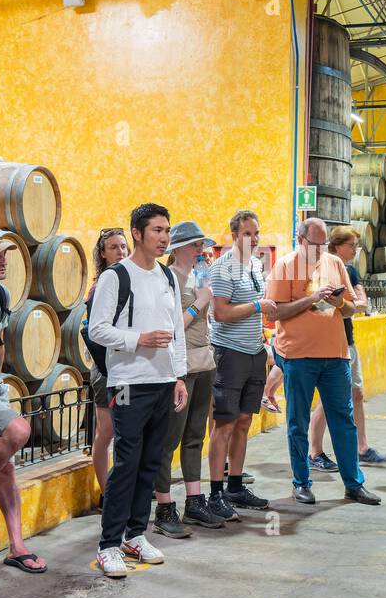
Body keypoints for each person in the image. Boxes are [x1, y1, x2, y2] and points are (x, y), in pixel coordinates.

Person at [87, 203, 188, 577]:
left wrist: (179, 377)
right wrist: (138, 339)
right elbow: (97, 329)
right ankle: (108, 544)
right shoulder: (116, 277)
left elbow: (176, 329)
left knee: (151, 461)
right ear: (137, 232)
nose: (164, 237)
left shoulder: (167, 277)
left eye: (167, 230)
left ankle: (135, 534)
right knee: (126, 463)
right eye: (158, 230)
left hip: (163, 382)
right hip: (129, 383)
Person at [267, 217, 380, 506]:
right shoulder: (284, 266)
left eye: (323, 244)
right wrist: (312, 298)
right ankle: (301, 483)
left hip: (336, 355)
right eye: (314, 244)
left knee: (344, 421)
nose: (319, 250)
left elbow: (351, 308)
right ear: (301, 239)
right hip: (298, 356)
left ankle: (354, 484)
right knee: (297, 422)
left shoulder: (335, 264)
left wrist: (338, 303)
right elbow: (275, 313)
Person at [0, 232, 45, 573]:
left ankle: (16, 544)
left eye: (5, 255)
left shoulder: (0, 293)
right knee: (17, 434)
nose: (3, 261)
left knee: (8, 464)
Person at [152, 221, 227, 537]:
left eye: (202, 245)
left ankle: (194, 500)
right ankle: (164, 505)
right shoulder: (166, 279)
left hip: (203, 361)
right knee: (170, 438)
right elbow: (172, 328)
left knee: (195, 434)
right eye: (196, 245)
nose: (202, 250)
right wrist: (200, 303)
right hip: (180, 365)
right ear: (179, 248)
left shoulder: (199, 276)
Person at [207, 209, 277, 519]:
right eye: (248, 233)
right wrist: (258, 306)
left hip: (253, 352)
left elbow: (255, 308)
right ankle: (214, 493)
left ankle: (235, 485)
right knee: (224, 424)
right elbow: (220, 313)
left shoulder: (255, 266)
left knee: (245, 421)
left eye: (257, 233)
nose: (254, 238)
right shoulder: (223, 269)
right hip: (230, 352)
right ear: (234, 235)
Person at [308, 226, 386, 471]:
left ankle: (361, 447)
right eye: (352, 245)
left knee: (357, 394)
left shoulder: (350, 271)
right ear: (337, 245)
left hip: (348, 341)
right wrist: (348, 304)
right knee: (326, 400)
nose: (355, 249)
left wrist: (348, 303)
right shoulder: (321, 269)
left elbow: (362, 303)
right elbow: (329, 304)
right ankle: (314, 452)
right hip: (328, 343)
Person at [85, 228, 129, 501]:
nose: (120, 252)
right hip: (105, 370)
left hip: (124, 371)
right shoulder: (100, 286)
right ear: (103, 253)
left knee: (123, 428)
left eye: (123, 247)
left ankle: (118, 488)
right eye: (114, 247)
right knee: (107, 431)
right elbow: (97, 334)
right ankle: (106, 491)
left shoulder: (129, 281)